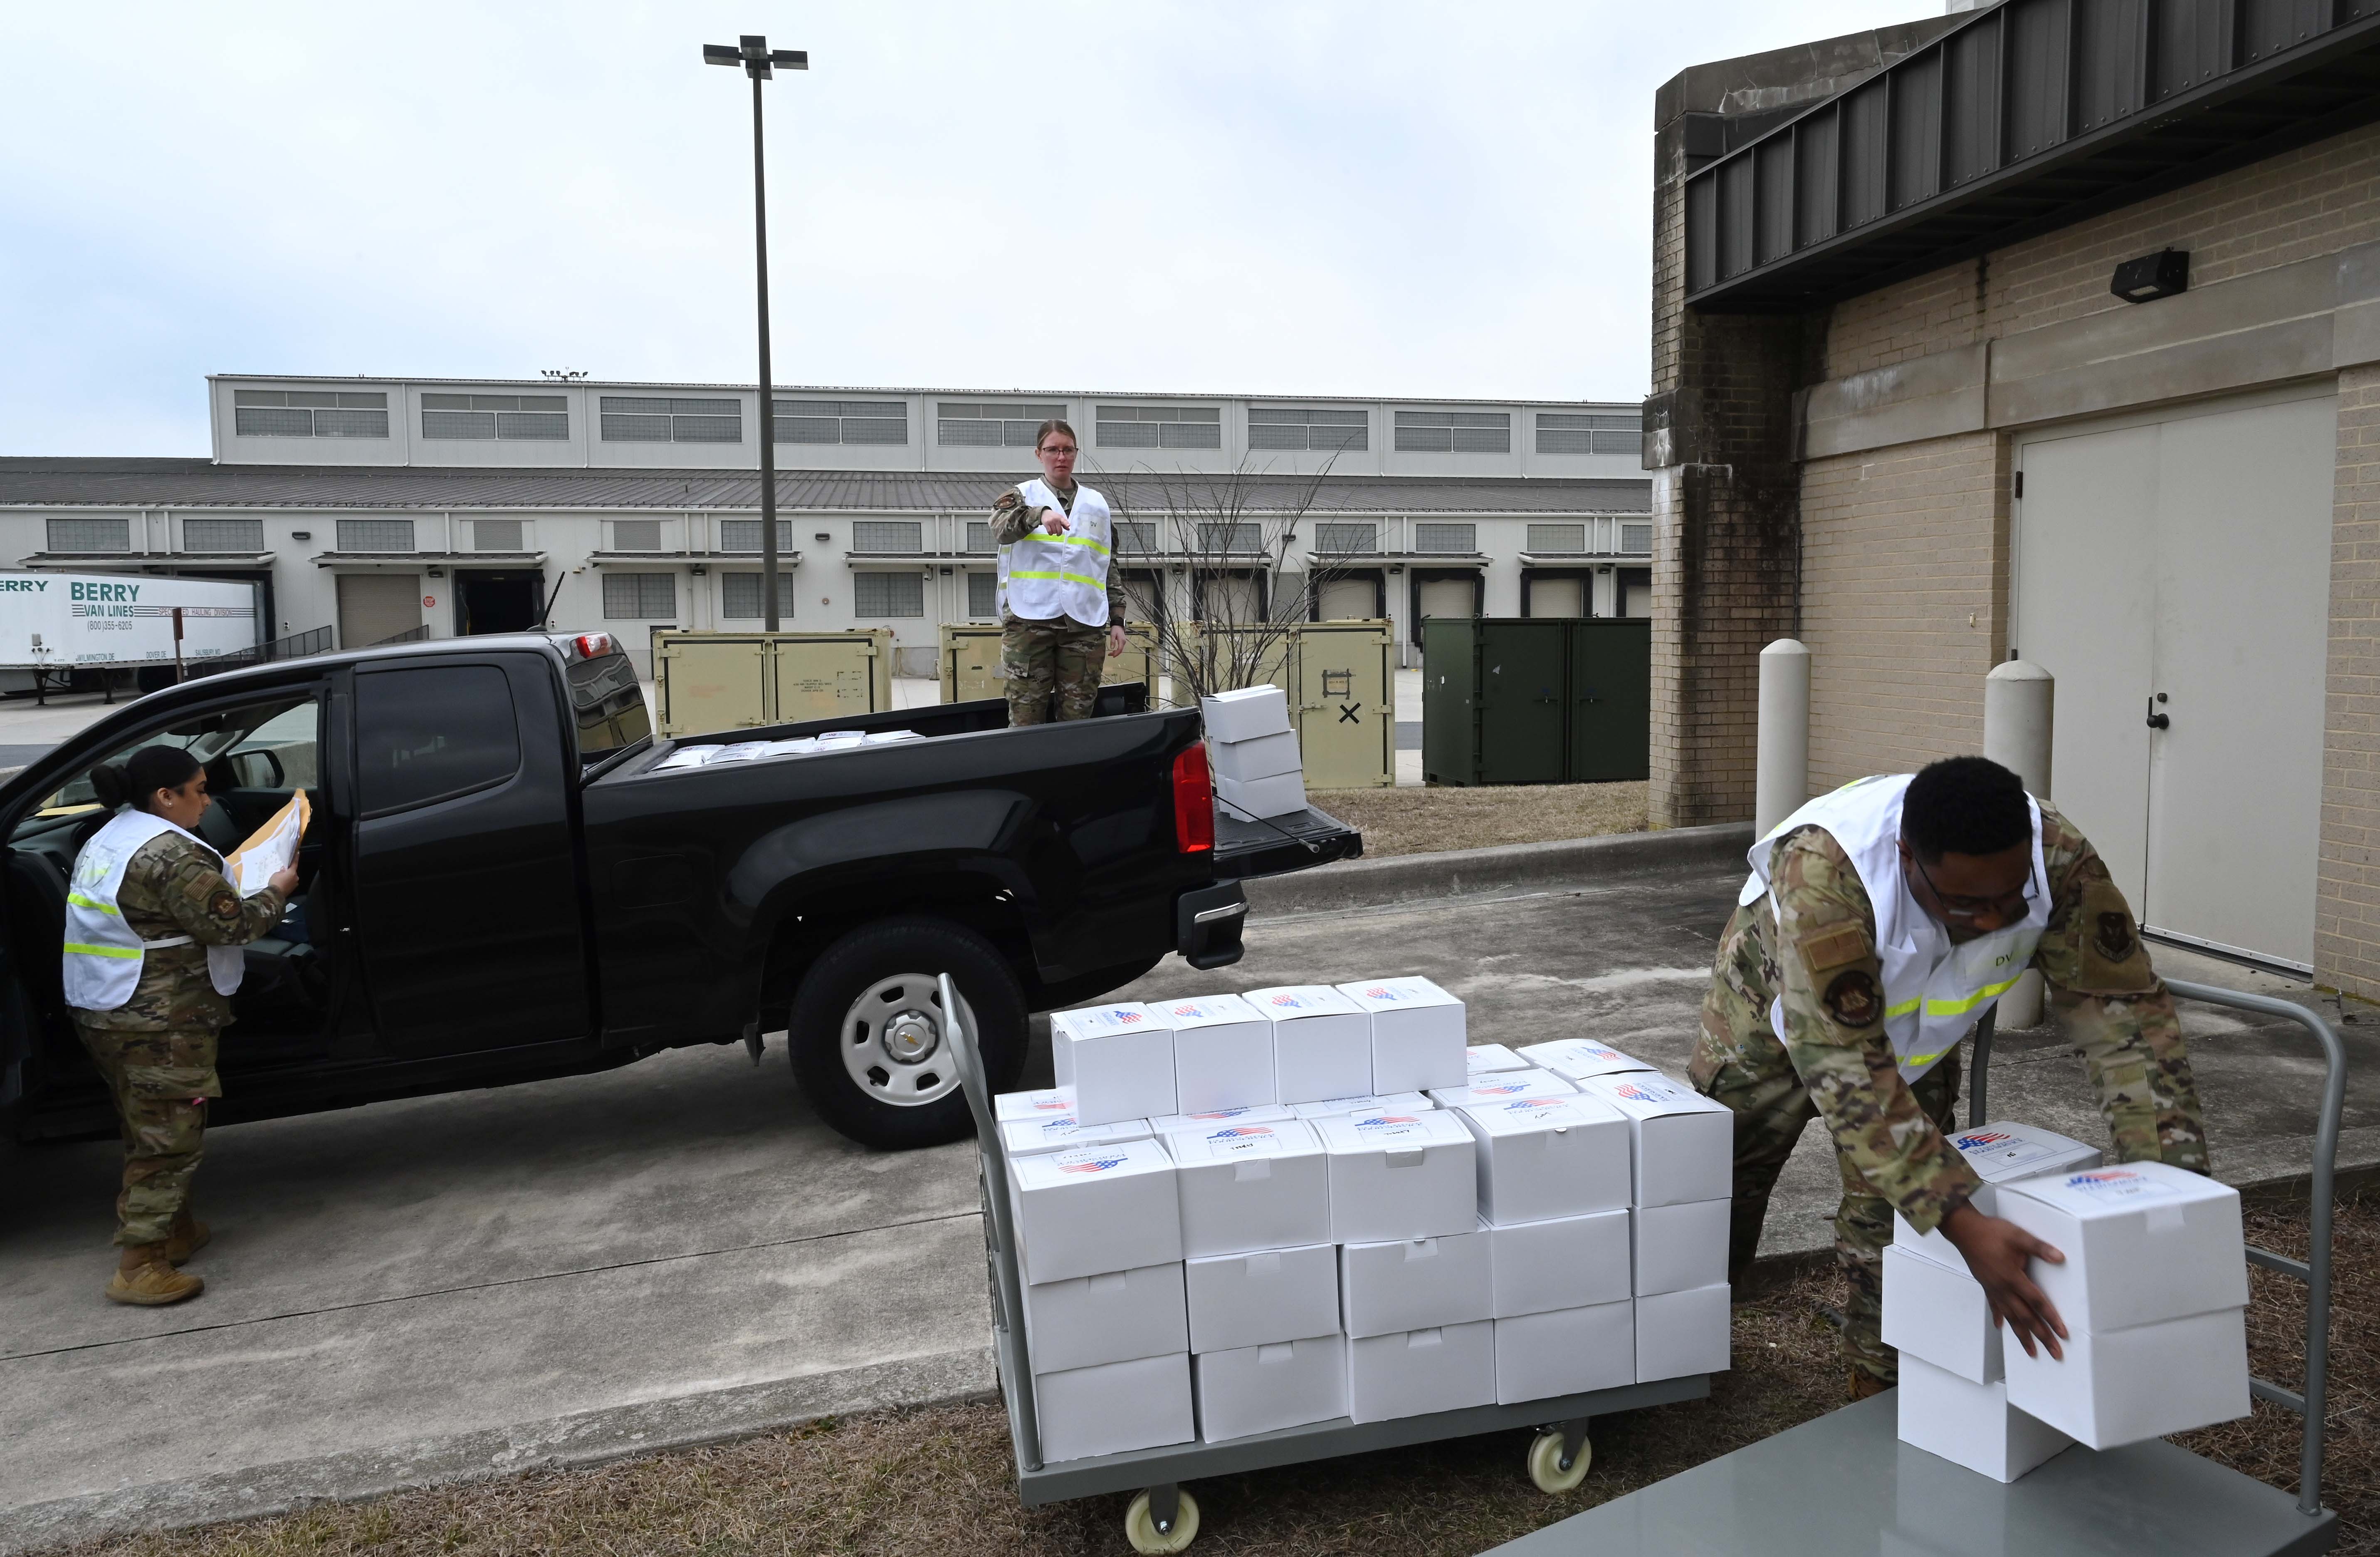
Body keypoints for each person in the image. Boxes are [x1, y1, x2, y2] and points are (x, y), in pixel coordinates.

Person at [1693, 755, 2210, 1397]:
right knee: (1721, 1186)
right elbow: (1845, 1066)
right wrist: (1966, 1226)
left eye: (2008, 898)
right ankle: (1683, 1341)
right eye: (1967, 904)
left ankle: (1885, 1381)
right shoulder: (1824, 873)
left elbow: (2128, 1027)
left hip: (1912, 1034)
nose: (1994, 921)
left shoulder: (2058, 859)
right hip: (1769, 1014)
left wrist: (2171, 1195)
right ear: (1906, 855)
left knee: (1899, 1213)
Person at [62, 745, 296, 1306]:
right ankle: (140, 1264)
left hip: (107, 1009)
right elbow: (234, 924)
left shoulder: (113, 835)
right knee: (168, 1141)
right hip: (158, 1019)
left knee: (150, 1128)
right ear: (165, 796)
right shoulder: (168, 854)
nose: (207, 797)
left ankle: (176, 1229)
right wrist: (279, 888)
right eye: (198, 788)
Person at [985, 418, 1127, 725]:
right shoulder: (1023, 495)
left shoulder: (1096, 504)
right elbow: (998, 528)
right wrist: (1038, 515)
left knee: (1078, 719)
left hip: (1083, 625)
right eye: (1052, 450)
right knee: (1026, 719)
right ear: (1039, 454)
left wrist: (1117, 619)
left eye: (1067, 450)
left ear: (1076, 453)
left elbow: (1106, 563)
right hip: (1030, 623)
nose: (1060, 457)